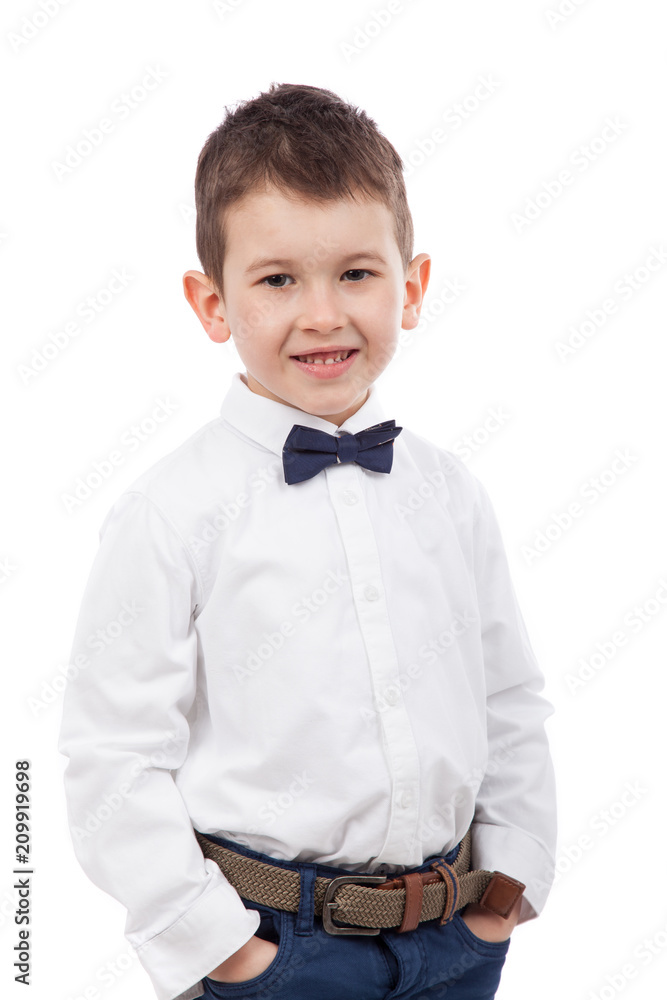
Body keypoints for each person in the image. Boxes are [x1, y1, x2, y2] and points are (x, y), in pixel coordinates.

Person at [58, 82, 557, 1000]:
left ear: (410, 288)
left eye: (356, 274)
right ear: (212, 305)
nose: (323, 314)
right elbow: (115, 757)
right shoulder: (172, 512)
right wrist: (224, 951)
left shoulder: (452, 498)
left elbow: (509, 701)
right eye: (278, 279)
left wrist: (505, 894)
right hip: (272, 948)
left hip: (453, 938)